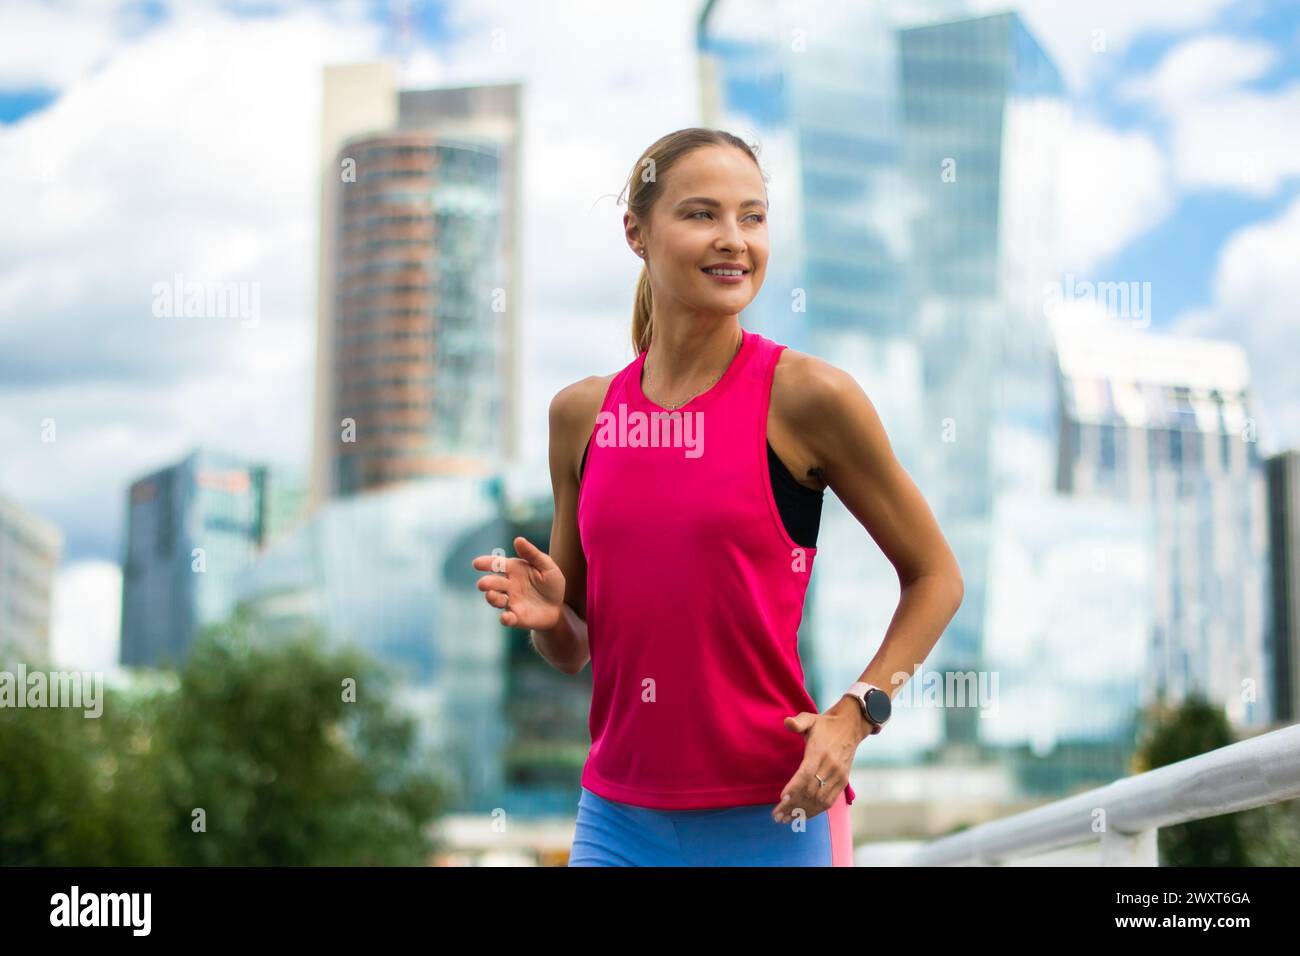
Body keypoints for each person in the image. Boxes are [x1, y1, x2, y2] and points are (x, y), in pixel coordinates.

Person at [472, 128, 963, 866]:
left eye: (753, 217)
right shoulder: (580, 415)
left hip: (774, 818)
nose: (734, 240)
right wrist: (550, 617)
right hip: (615, 819)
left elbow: (937, 578)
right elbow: (572, 646)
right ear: (636, 232)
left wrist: (858, 712)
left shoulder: (808, 398)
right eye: (702, 215)